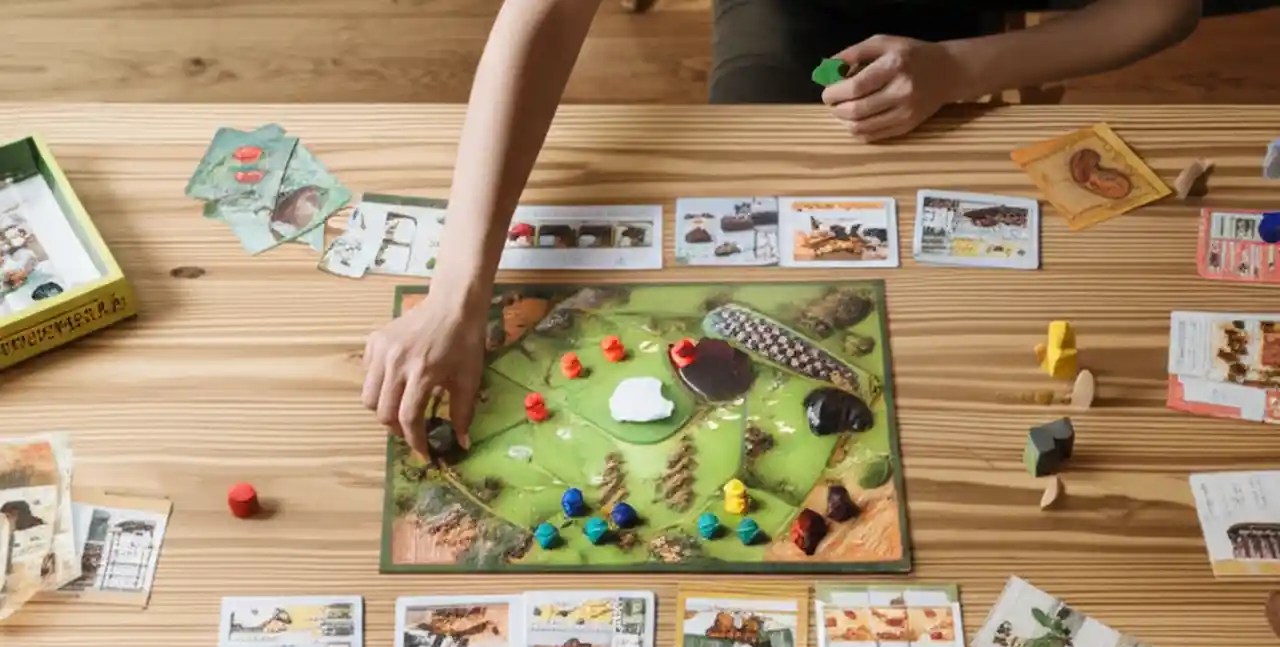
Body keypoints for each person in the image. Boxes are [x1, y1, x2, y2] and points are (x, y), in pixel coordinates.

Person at [362, 0, 1202, 457]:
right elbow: (539, 18)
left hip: (950, 28)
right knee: (758, 198)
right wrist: (455, 293)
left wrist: (959, 67)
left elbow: (1162, 10)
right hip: (787, 13)